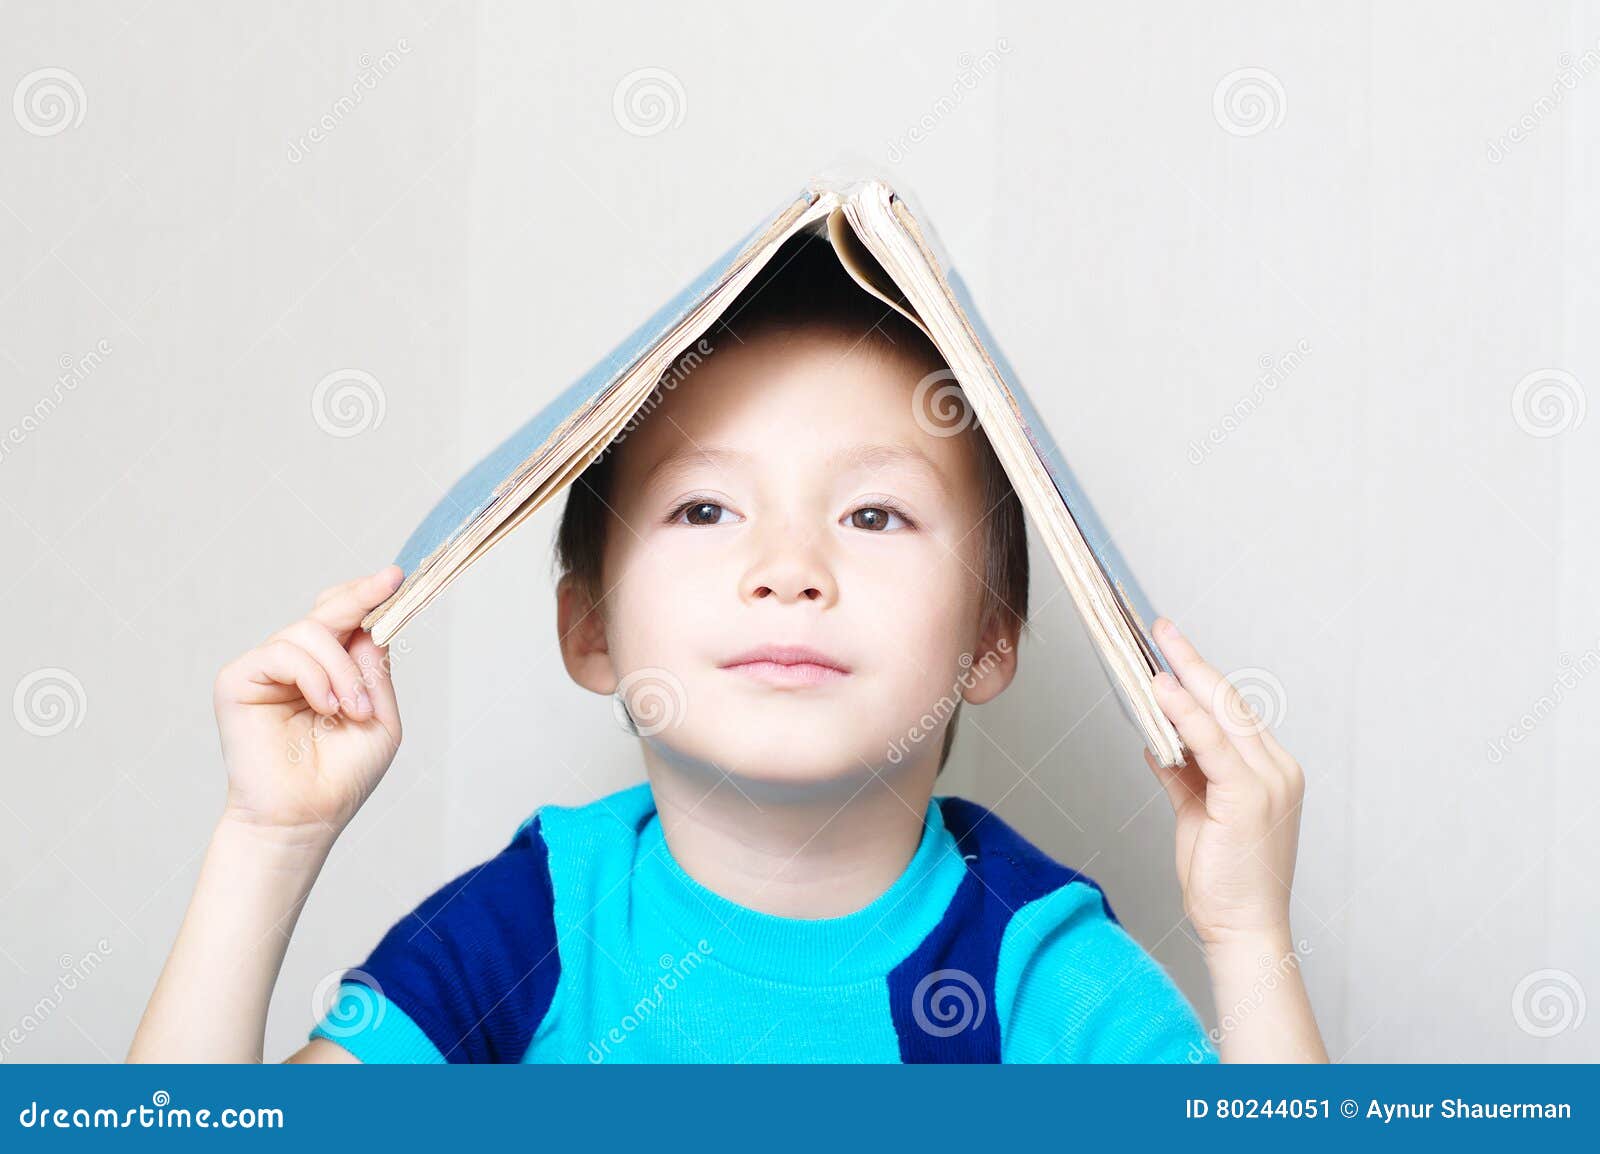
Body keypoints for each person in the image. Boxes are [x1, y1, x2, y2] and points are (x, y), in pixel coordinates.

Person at [129, 235, 1325, 1063]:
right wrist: (267, 838)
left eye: (874, 514)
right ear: (589, 629)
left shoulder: (1029, 964)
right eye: (705, 509)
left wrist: (1249, 937)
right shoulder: (539, 921)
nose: (789, 565)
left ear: (988, 637)